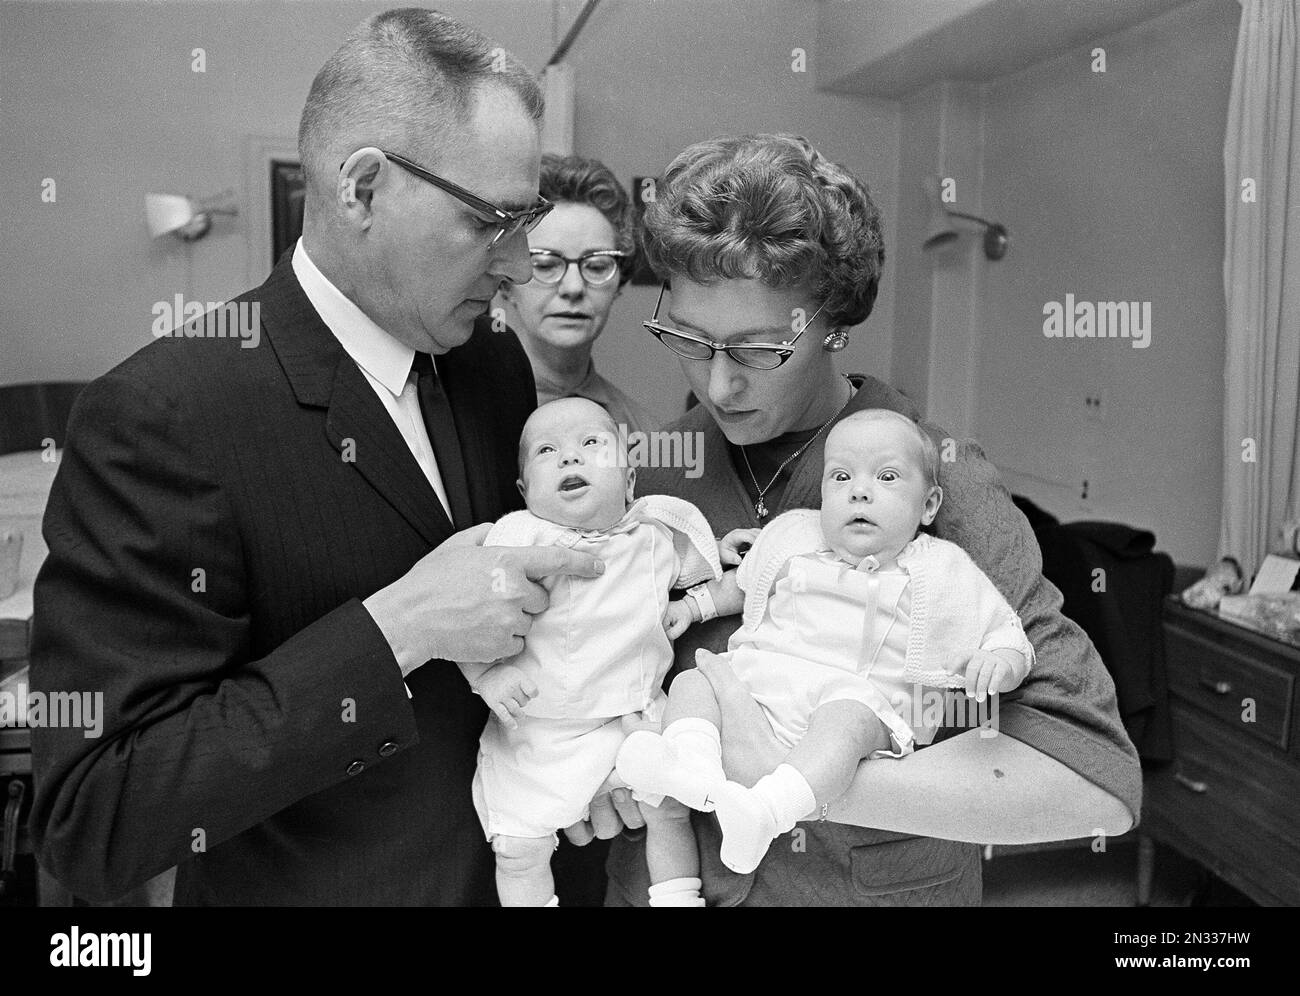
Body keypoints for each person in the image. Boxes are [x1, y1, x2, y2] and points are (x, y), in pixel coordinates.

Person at [28, 8, 605, 906]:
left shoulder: (491, 367)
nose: (523, 265)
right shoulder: (163, 414)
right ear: (363, 189)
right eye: (493, 221)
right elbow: (95, 817)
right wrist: (398, 630)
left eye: (524, 217)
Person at [600, 133, 1141, 907]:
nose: (718, 385)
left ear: (832, 322)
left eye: (757, 349)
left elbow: (1093, 783)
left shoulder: (936, 477)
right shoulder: (660, 469)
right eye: (690, 340)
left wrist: (805, 780)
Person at [616, 410, 1033, 902]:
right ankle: (692, 768)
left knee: (847, 721)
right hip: (758, 684)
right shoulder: (797, 538)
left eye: (887, 477)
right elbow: (743, 584)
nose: (859, 491)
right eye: (841, 477)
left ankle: (768, 809)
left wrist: (1001, 663)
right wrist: (692, 606)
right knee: (694, 681)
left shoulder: (940, 568)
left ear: (929, 505)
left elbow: (1006, 632)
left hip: (853, 699)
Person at [458, 397, 725, 906]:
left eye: (591, 444)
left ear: (628, 481)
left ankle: (677, 898)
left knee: (669, 807)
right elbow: (463, 618)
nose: (569, 458)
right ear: (524, 490)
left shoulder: (655, 535)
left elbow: (702, 569)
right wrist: (485, 677)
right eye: (547, 451)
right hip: (537, 732)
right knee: (518, 848)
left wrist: (727, 552)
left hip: (632, 719)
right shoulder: (519, 539)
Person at [494, 154, 655, 434]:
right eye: (545, 264)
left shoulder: (643, 434)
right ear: (507, 282)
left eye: (596, 266)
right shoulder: (454, 415)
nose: (573, 288)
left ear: (619, 279)